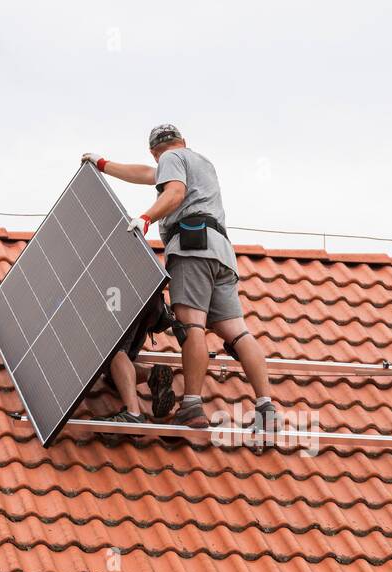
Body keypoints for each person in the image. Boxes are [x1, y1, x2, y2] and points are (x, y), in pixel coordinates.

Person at [82, 124, 276, 431]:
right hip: (222, 254)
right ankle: (266, 406)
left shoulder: (171, 160)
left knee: (192, 325)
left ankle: (192, 405)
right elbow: (148, 175)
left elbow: (174, 192)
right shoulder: (200, 162)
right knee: (238, 333)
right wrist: (104, 164)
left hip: (191, 248)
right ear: (183, 141)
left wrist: (146, 218)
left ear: (154, 151)